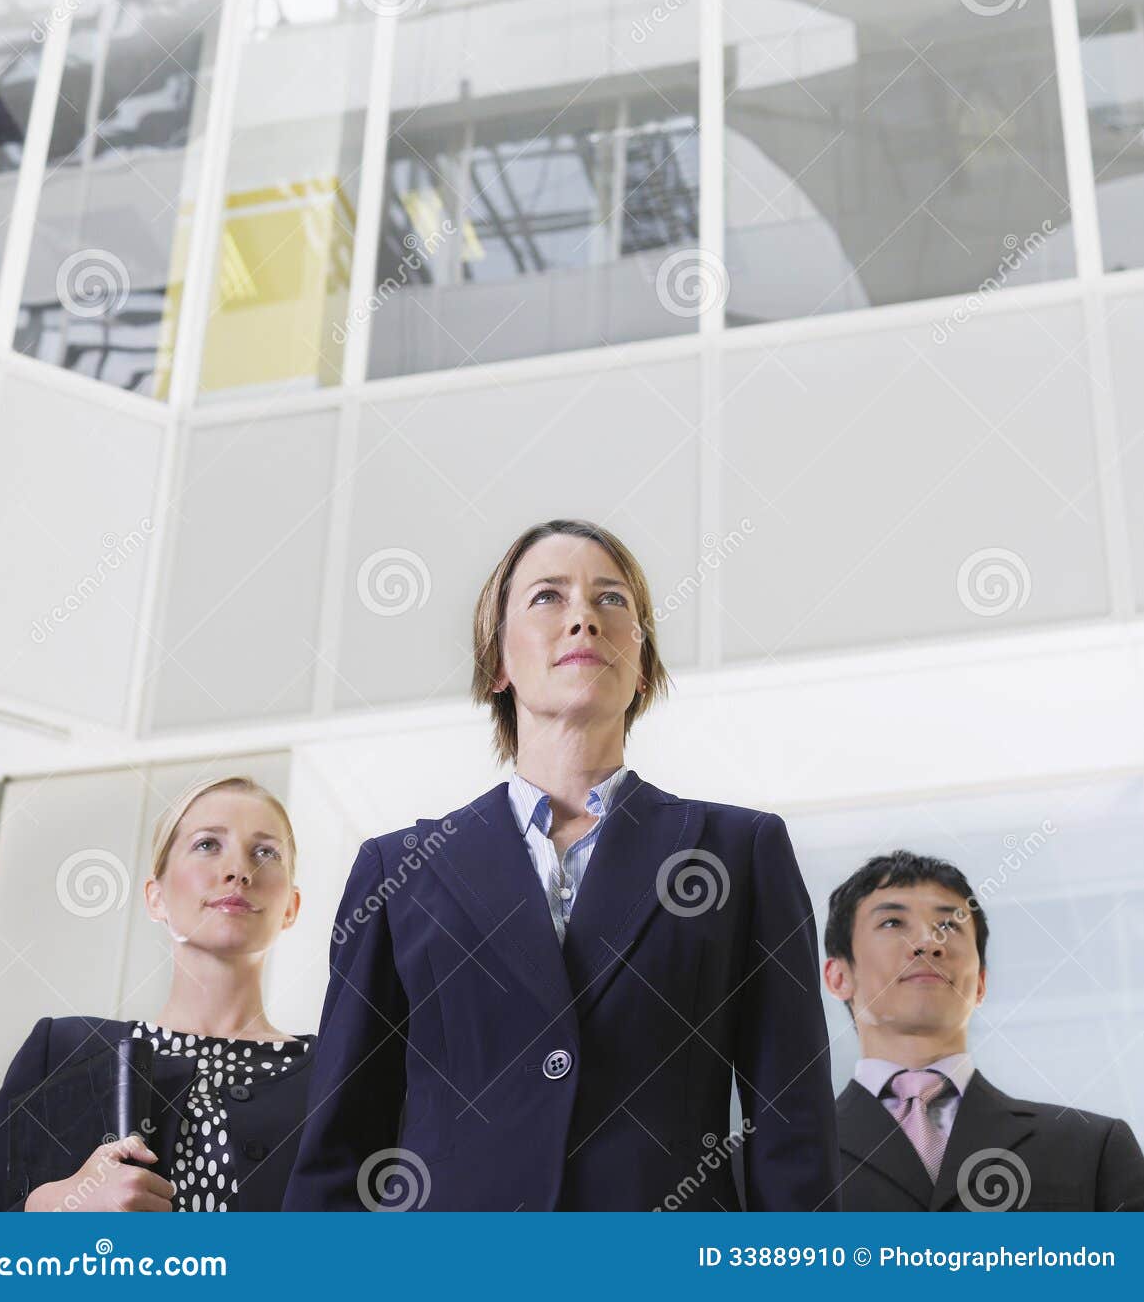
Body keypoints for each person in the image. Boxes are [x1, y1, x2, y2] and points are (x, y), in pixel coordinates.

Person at [283, 518, 840, 1211]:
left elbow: (791, 1124)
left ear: (641, 667)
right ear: (498, 663)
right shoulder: (400, 872)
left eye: (612, 601)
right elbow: (341, 1140)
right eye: (548, 597)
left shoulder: (740, 852)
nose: (583, 618)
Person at [0, 775, 313, 1212]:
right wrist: (52, 1208)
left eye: (265, 852)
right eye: (207, 845)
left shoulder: (338, 1073)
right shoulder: (62, 1052)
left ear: (290, 907)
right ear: (155, 897)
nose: (238, 870)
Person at [823, 849, 1144, 1212]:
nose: (929, 943)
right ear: (838, 976)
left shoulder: (1094, 1150)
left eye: (949, 925)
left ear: (980, 983)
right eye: (893, 923)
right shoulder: (775, 1161)